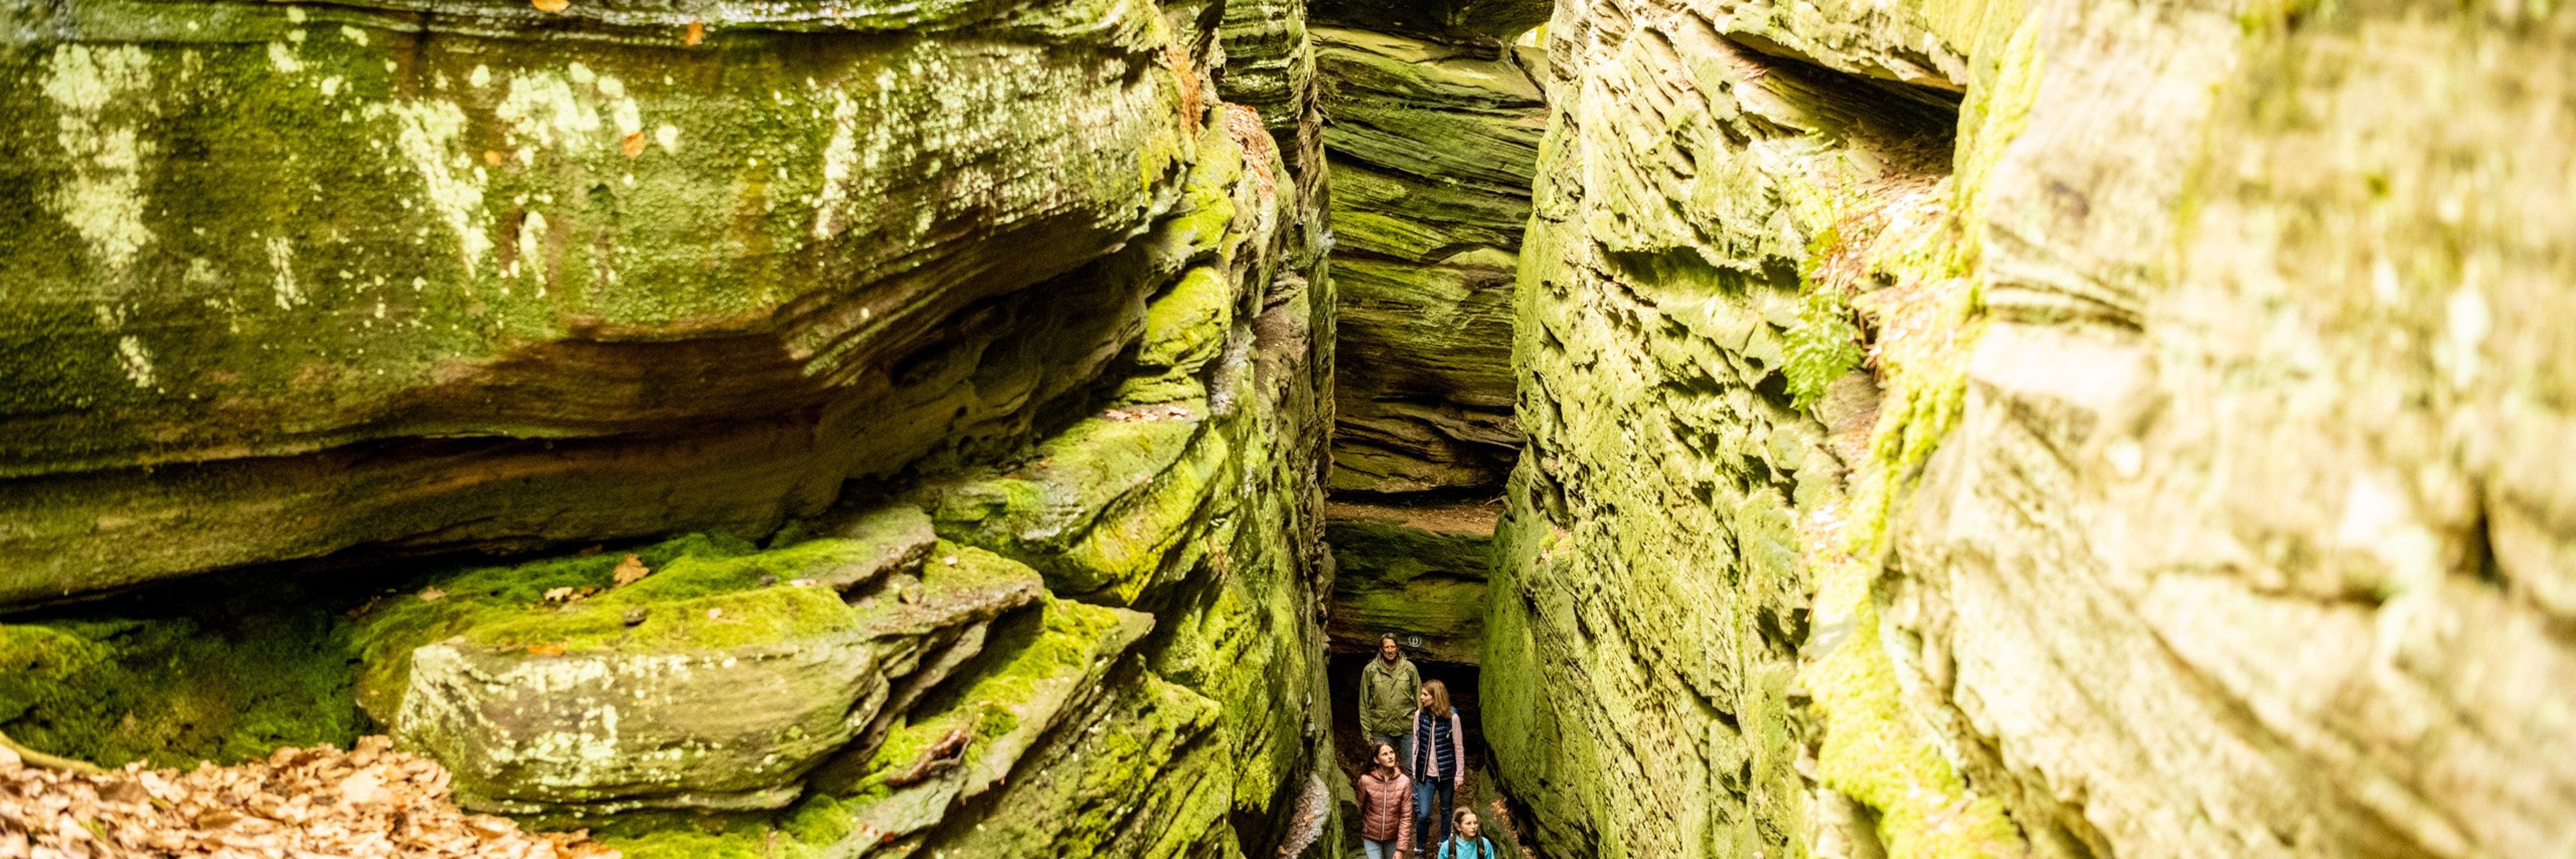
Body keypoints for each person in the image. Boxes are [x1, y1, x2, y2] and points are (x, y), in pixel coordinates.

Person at [1408, 679, 1466, 848]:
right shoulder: (1419, 715)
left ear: (1436, 697)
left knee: (1446, 810)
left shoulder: (1452, 718)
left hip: (1446, 773)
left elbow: (1459, 747)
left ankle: (1444, 843)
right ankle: (1420, 847)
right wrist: (1415, 768)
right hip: (1425, 774)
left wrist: (1459, 775)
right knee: (1423, 814)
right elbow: (1416, 743)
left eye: (1425, 694)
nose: (1422, 697)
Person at [1360, 633, 1421, 768]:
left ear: (1398, 648)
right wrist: (1366, 732)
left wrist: (1421, 727)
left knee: (1411, 767)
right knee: (1384, 767)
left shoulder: (1410, 669)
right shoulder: (1370, 670)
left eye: (1393, 647)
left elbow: (1419, 699)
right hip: (1381, 728)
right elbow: (1363, 703)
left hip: (1407, 727)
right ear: (1381, 649)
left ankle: (1412, 790)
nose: (1390, 650)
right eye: (1386, 647)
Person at [1355, 742, 1414, 859]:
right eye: (1385, 754)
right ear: (1377, 760)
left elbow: (1406, 817)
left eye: (1392, 753)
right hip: (1370, 836)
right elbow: (1359, 810)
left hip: (1392, 837)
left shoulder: (1404, 782)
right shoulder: (1366, 780)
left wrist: (1401, 849)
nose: (1390, 757)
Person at [1435, 808, 1499, 859]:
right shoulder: (1447, 847)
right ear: (1459, 827)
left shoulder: (1485, 844)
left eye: (1476, 823)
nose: (1474, 827)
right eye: (1468, 824)